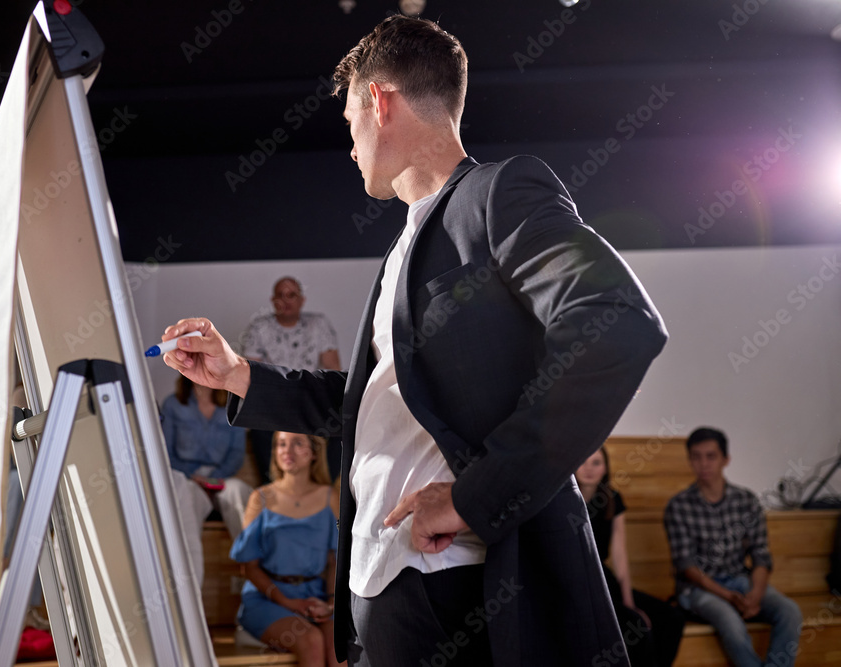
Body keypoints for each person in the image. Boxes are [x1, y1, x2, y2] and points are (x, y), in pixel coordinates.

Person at [161, 14, 667, 667]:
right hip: (380, 583)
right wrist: (236, 373)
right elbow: (364, 404)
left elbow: (617, 319)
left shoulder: (498, 194)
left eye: (349, 122)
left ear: (379, 100)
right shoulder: (405, 244)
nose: (348, 146)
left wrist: (473, 496)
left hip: (453, 580)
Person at [663, 427, 803, 667]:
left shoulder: (746, 500)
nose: (703, 464)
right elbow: (688, 568)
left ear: (725, 459)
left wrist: (755, 595)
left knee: (790, 612)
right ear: (689, 461)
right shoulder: (678, 506)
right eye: (696, 457)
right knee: (731, 622)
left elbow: (761, 556)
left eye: (711, 456)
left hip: (741, 580)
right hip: (699, 589)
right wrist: (730, 597)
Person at [231, 431, 344, 667]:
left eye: (297, 443)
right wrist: (288, 603)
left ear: (314, 453)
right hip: (268, 599)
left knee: (339, 647)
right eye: (281, 444)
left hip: (315, 597)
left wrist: (331, 603)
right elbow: (249, 567)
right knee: (310, 640)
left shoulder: (330, 498)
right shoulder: (260, 498)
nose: (287, 451)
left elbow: (335, 560)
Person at [576, 447, 685, 667]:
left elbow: (619, 555)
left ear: (605, 468)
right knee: (635, 626)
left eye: (596, 463)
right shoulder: (564, 501)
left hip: (605, 579)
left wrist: (628, 602)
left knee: (671, 618)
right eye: (583, 462)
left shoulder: (612, 499)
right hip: (580, 584)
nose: (589, 469)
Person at [243, 276, 342, 484]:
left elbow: (333, 370)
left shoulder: (318, 324)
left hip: (310, 401)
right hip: (273, 405)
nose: (285, 300)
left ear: (301, 300)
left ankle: (324, 490)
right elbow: (252, 376)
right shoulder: (259, 327)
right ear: (272, 300)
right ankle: (273, 490)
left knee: (339, 421)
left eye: (291, 295)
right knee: (257, 420)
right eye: (280, 295)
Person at [161, 374, 251, 541]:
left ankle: (252, 561)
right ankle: (190, 565)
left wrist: (213, 478)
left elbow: (237, 453)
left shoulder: (233, 405)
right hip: (187, 478)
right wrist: (193, 477)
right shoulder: (173, 404)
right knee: (188, 495)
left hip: (221, 477)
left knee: (238, 491)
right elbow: (165, 452)